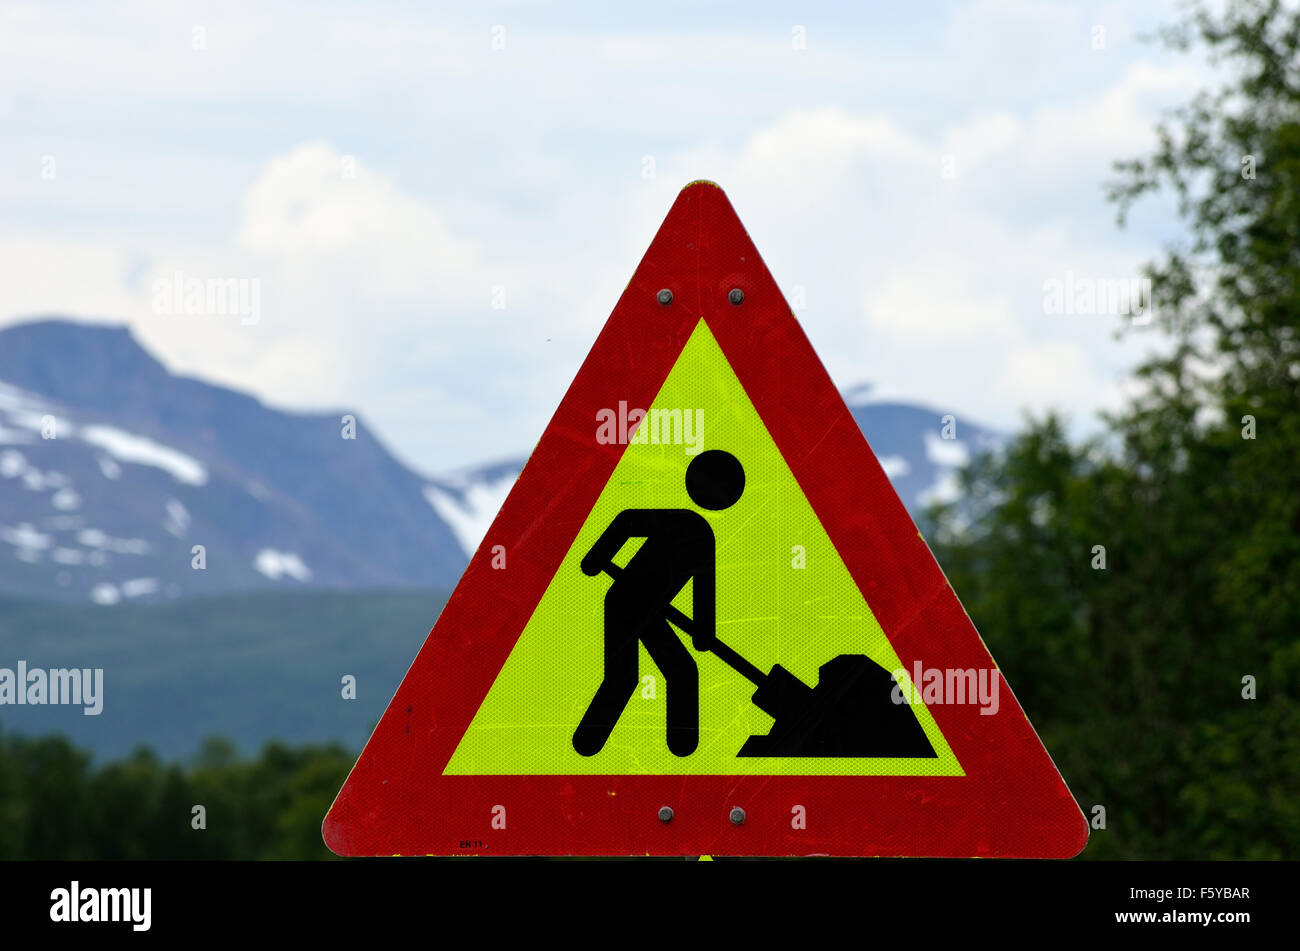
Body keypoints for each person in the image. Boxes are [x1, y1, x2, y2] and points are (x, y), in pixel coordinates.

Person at [572, 449, 745, 757]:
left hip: (649, 610)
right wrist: (595, 557)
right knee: (624, 677)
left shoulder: (702, 535)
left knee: (682, 672)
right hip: (625, 604)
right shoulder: (684, 523)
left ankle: (681, 751)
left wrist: (703, 632)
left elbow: (704, 589)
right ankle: (586, 745)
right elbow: (626, 522)